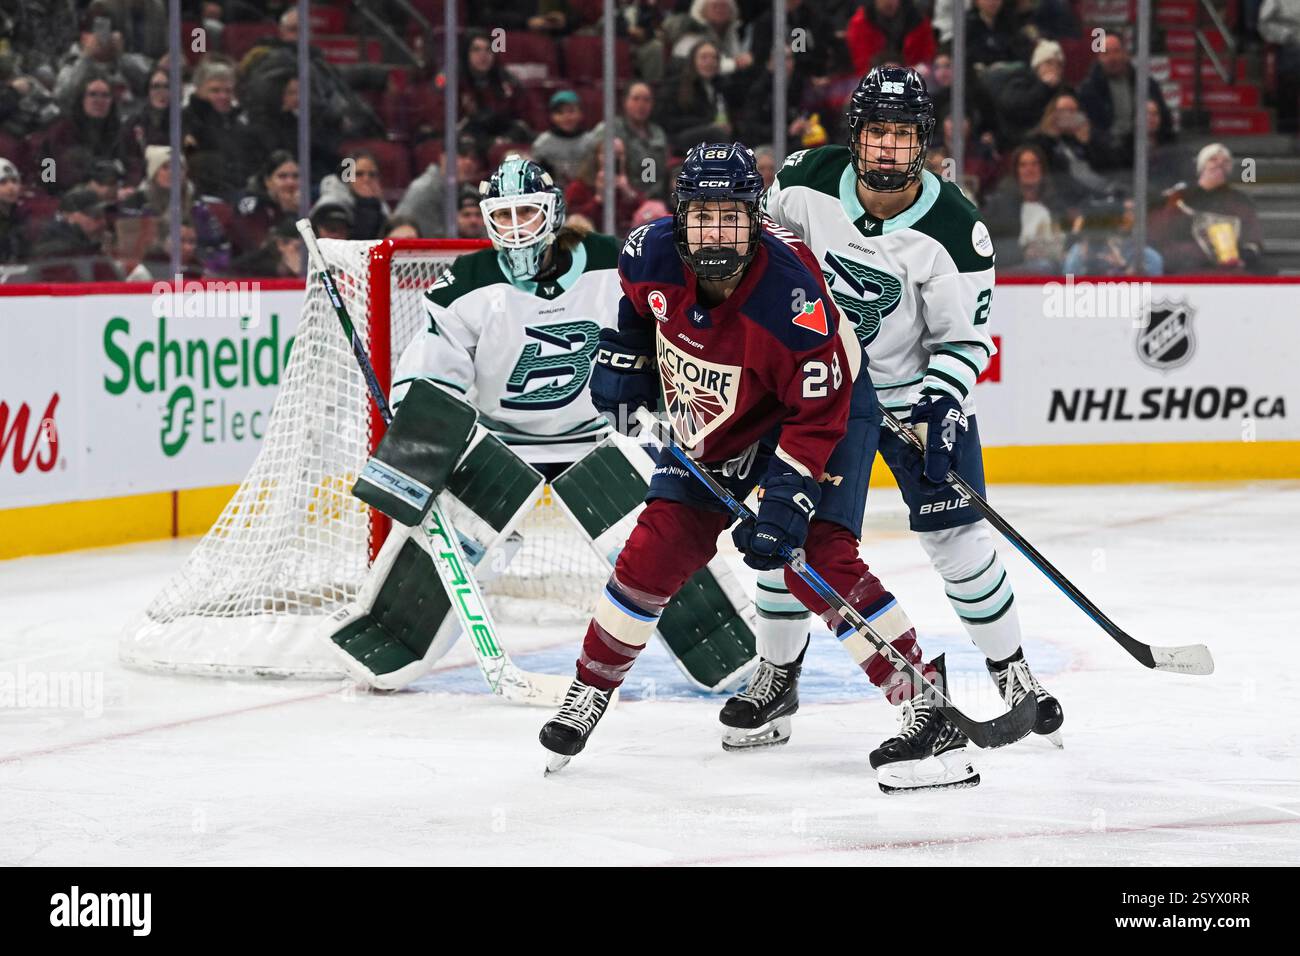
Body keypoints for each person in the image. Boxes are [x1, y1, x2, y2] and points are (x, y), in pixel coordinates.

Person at [538, 143, 981, 793]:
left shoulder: (790, 293)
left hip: (825, 406)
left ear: (754, 216)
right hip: (719, 410)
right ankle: (589, 688)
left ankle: (927, 704)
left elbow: (819, 410)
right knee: (654, 550)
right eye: (702, 217)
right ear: (680, 217)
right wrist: (624, 357)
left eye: (731, 217)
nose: (716, 232)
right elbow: (638, 309)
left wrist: (786, 499)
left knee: (815, 558)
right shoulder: (646, 253)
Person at [761, 68, 1064, 741]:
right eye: (877, 133)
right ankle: (776, 676)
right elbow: (761, 258)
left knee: (957, 539)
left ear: (922, 142)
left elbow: (966, 338)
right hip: (822, 400)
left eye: (902, 135)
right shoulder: (806, 178)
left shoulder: (956, 227)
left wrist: (938, 407)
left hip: (914, 403)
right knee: (791, 534)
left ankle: (1012, 672)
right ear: (856, 137)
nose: (888, 148)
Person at [391, 155, 621, 469]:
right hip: (499, 448)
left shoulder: (612, 261)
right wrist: (415, 427)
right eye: (503, 215)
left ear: (552, 211)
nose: (515, 227)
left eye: (526, 211)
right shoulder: (467, 282)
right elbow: (432, 374)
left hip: (602, 441)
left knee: (646, 515)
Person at [1149, 143, 1267, 274]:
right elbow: (1162, 236)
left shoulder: (1240, 201)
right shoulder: (1179, 198)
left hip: (1231, 270)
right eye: (1213, 159)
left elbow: (1253, 238)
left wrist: (1244, 256)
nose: (1219, 164)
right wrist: (1197, 253)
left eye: (1225, 161)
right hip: (1188, 269)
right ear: (1202, 165)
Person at [530, 90, 591, 188]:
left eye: (571, 111)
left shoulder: (590, 142)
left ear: (580, 114)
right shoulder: (542, 144)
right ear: (552, 117)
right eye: (560, 112)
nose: (566, 117)